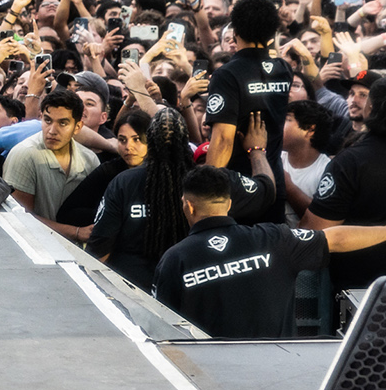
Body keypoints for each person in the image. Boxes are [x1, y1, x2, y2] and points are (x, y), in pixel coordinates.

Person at [154, 165, 386, 338]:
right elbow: (335, 238)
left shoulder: (174, 260)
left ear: (188, 204)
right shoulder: (274, 238)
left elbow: (161, 326)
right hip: (278, 371)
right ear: (228, 203)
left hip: (210, 379)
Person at [89, 109, 276, 291]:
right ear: (186, 142)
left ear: (150, 143)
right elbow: (266, 190)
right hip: (194, 291)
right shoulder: (212, 181)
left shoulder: (123, 183)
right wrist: (257, 150)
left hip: (134, 293)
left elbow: (98, 253)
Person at [203, 0, 291, 223]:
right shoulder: (283, 69)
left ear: (235, 33)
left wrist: (208, 195)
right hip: (273, 181)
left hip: (239, 188)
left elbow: (222, 140)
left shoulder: (227, 75)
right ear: (273, 33)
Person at [301, 76, 386, 289]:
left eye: (364, 96)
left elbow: (315, 231)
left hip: (359, 293)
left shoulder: (351, 161)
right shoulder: (351, 159)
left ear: (371, 107)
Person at [2, 88, 98, 242]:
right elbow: (19, 217)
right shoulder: (24, 155)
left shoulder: (90, 160)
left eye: (63, 123)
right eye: (47, 120)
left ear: (78, 127)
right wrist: (75, 232)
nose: (52, 131)